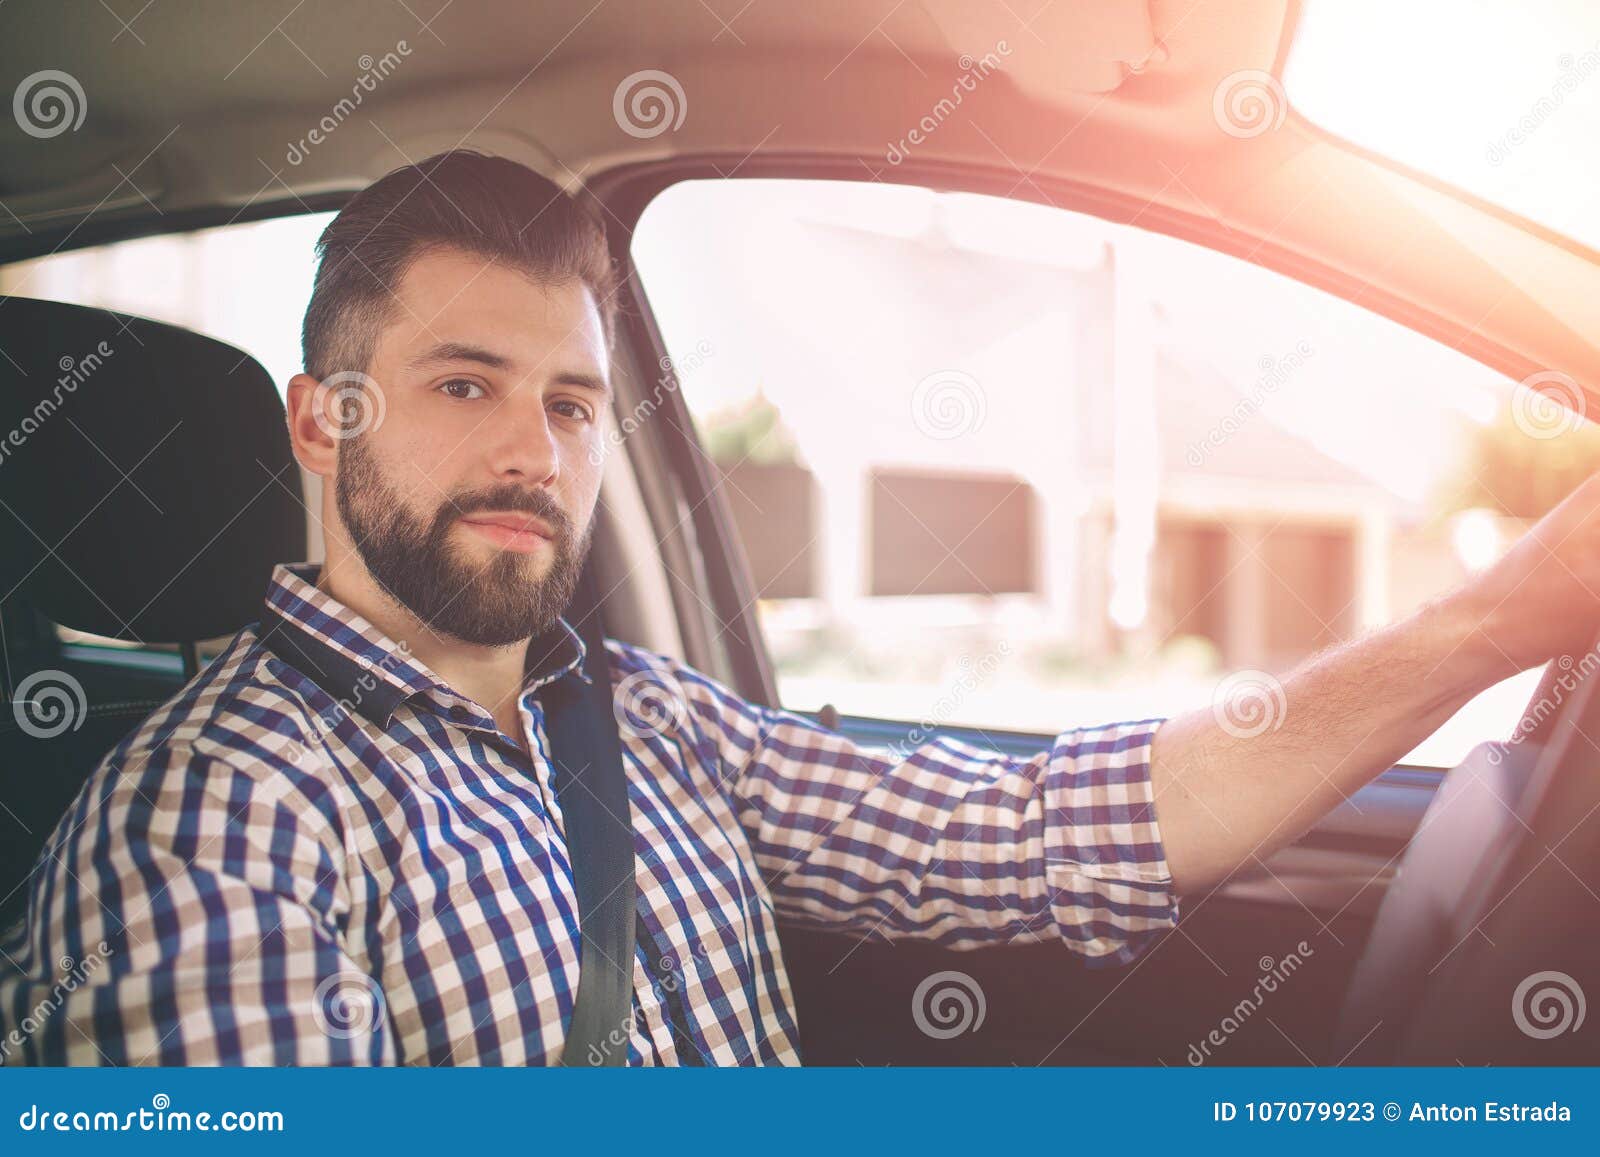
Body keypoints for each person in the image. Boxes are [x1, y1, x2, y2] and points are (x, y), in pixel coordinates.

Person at [2, 151, 1595, 1065]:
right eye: (462, 383)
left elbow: (1046, 828)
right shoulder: (206, 829)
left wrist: (1496, 619)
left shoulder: (639, 716)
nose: (529, 450)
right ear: (321, 417)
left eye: (567, 404)